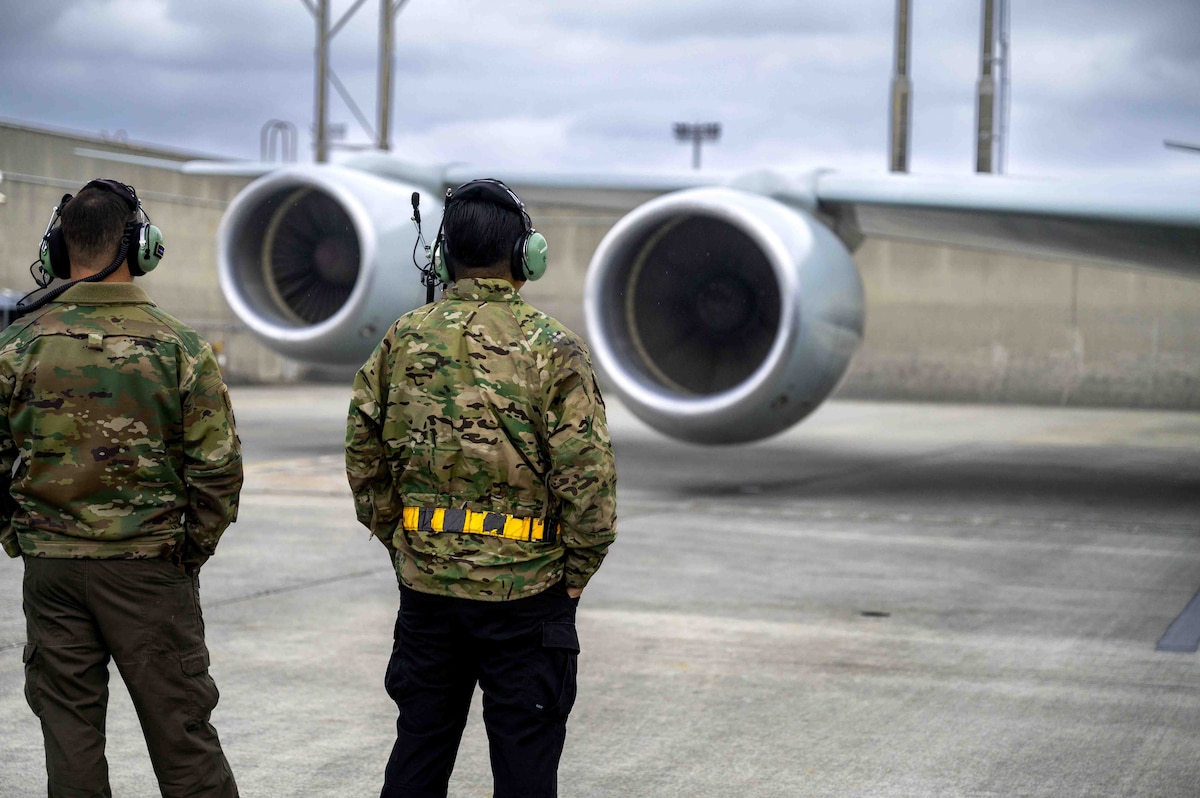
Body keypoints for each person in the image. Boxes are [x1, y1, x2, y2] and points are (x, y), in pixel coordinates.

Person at [346, 178, 617, 798]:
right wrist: (574, 574)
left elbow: (364, 454)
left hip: (427, 591)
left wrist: (404, 541)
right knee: (525, 763)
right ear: (528, 257)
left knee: (419, 749)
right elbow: (588, 478)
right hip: (528, 592)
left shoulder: (401, 339)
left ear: (445, 259)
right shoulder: (553, 348)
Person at [0, 179, 243, 797]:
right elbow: (217, 470)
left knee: (71, 740)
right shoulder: (180, 347)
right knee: (182, 736)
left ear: (58, 250)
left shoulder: (18, 345)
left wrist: (22, 536)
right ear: (142, 247)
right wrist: (186, 554)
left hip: (51, 569)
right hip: (148, 568)